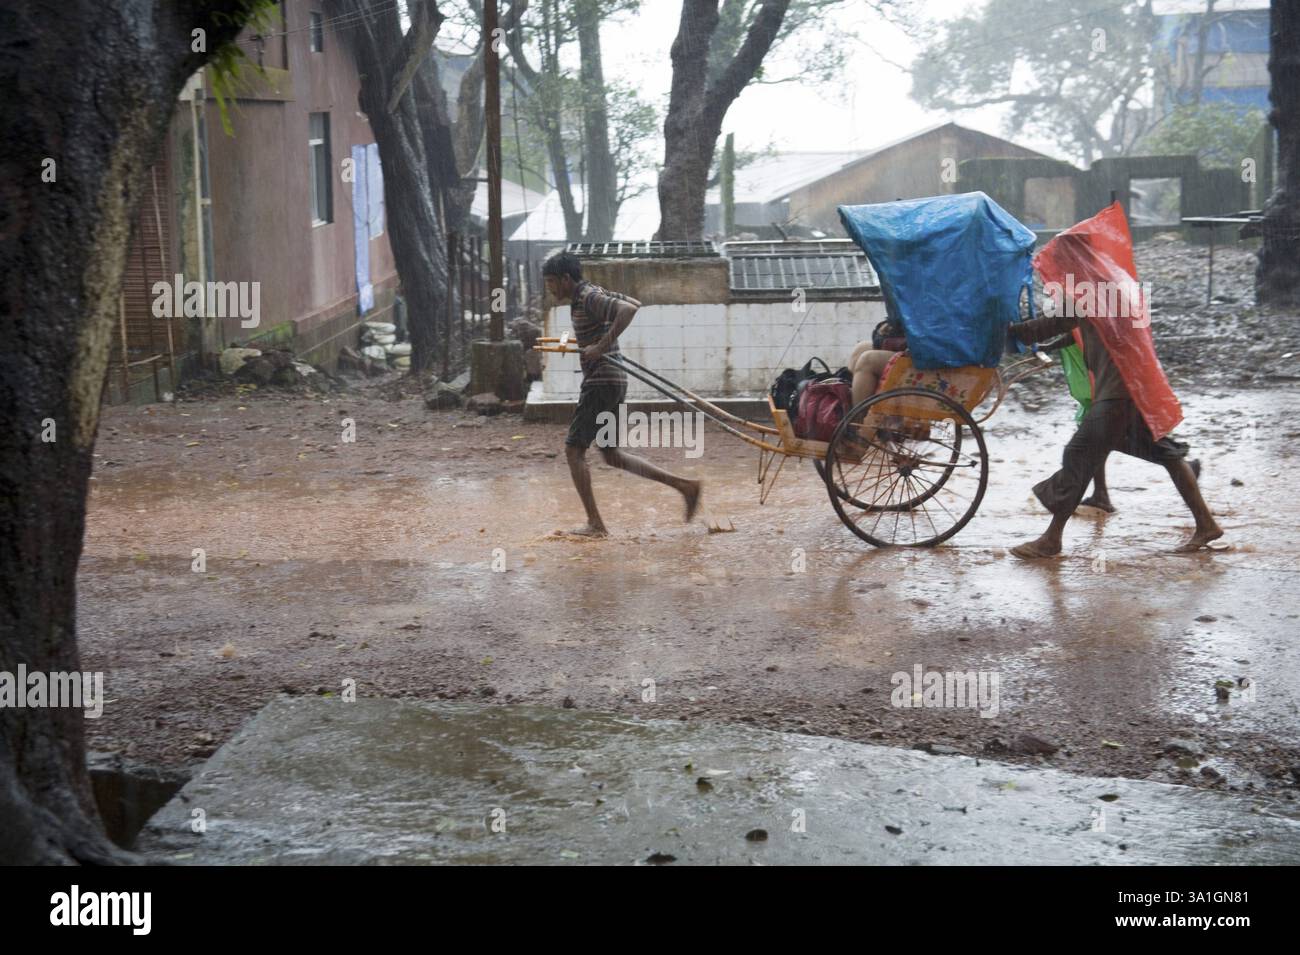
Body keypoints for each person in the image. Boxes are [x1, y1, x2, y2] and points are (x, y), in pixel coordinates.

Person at [1007, 298, 1221, 558]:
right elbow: (1083, 329)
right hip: (1128, 387)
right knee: (1164, 453)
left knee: (1079, 453)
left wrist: (1011, 331)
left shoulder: (1091, 292)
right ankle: (1206, 524)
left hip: (1117, 394)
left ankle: (1052, 538)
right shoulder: (1111, 288)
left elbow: (1058, 321)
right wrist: (1046, 342)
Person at [542, 251, 702, 538]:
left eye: (552, 282)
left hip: (600, 383)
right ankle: (685, 486)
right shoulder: (588, 294)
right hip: (612, 381)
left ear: (566, 279)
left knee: (574, 450)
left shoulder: (587, 296)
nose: (550, 288)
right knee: (611, 454)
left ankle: (595, 524)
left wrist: (601, 346)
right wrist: (584, 343)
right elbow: (633, 302)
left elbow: (627, 311)